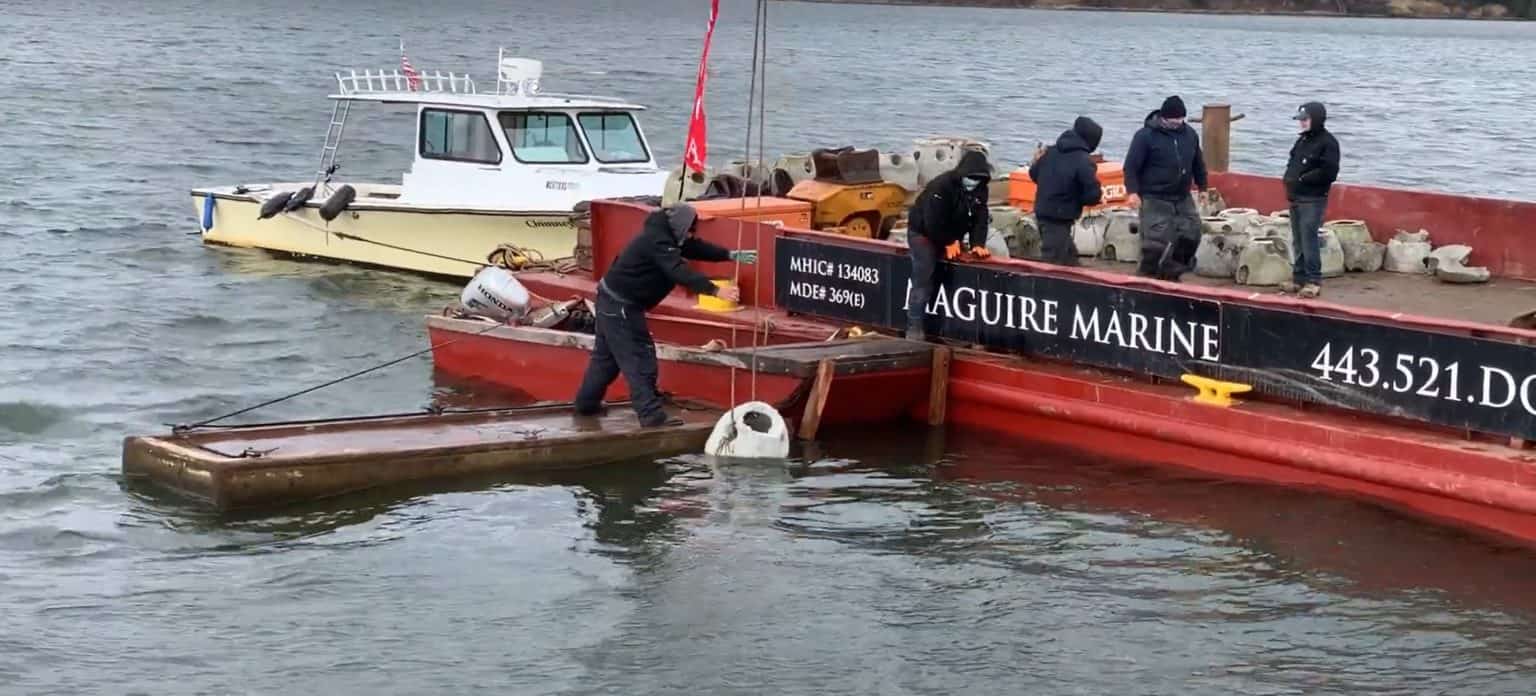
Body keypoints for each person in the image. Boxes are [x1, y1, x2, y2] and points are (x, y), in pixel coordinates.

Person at [574, 203, 756, 427]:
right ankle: (650, 415)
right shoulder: (658, 243)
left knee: (606, 359)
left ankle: (586, 404)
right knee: (639, 358)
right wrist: (715, 290)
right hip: (622, 306)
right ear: (679, 227)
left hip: (610, 300)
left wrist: (729, 254)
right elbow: (677, 271)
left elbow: (695, 247)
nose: (691, 234)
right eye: (689, 229)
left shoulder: (664, 236)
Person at [904, 149, 992, 340]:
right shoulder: (941, 186)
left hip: (953, 235)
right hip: (923, 234)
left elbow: (980, 217)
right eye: (971, 178)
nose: (973, 182)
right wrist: (948, 242)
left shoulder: (980, 190)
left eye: (978, 179)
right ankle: (914, 327)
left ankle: (950, 328)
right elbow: (933, 221)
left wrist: (978, 242)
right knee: (924, 279)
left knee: (955, 274)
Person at [1124, 95, 1208, 281]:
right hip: (1154, 196)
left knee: (1191, 233)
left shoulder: (1190, 135)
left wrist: (1203, 187)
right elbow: (1131, 166)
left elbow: (1198, 163)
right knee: (1156, 241)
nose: (1177, 123)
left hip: (1182, 196)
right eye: (1173, 120)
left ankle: (1173, 272)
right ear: (1163, 118)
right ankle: (1147, 276)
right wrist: (1132, 192)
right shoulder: (1144, 136)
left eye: (1180, 119)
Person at [1280, 101, 1340, 299]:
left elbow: (1329, 172)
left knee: (1309, 239)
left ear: (1316, 119)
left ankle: (1313, 280)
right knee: (1298, 240)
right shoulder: (1302, 141)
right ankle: (1299, 278)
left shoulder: (1328, 143)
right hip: (1295, 197)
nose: (1302, 123)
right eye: (1301, 119)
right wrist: (1289, 180)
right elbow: (1293, 162)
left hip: (1313, 199)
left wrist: (1304, 179)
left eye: (1306, 119)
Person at [1028, 116, 1105, 266]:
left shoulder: (1050, 152)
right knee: (1053, 264)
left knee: (1069, 258)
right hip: (1060, 217)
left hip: (1043, 211)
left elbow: (1034, 173)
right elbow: (1092, 195)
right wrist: (1084, 198)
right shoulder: (1083, 161)